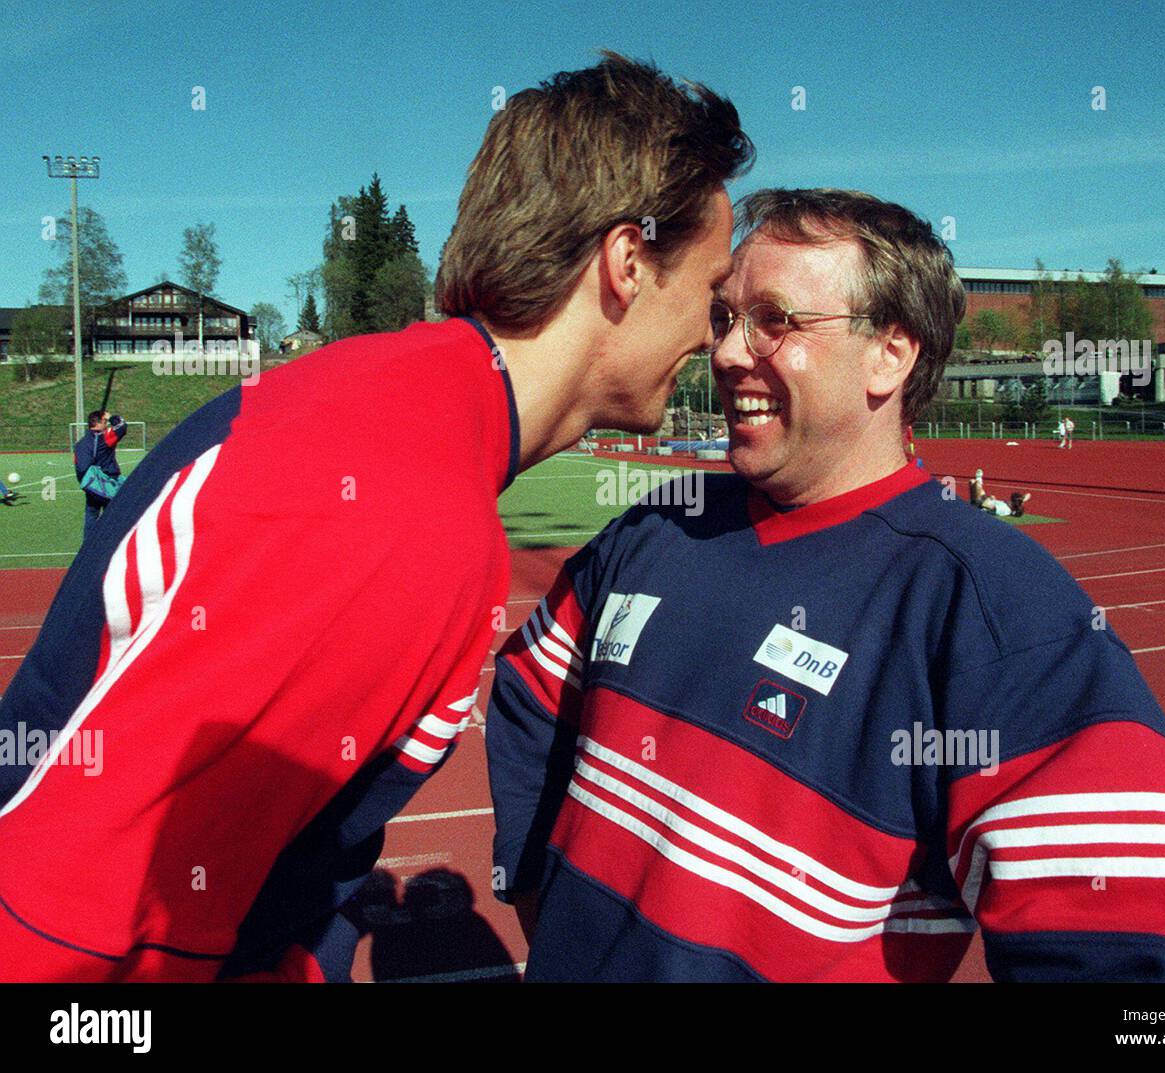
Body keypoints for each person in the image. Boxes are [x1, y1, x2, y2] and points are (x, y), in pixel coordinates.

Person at [0, 52, 752, 983]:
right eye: (713, 296)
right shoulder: (403, 503)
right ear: (628, 263)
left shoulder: (392, 411)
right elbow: (68, 925)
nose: (715, 339)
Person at [484, 188, 1165, 983]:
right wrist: (544, 907)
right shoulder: (658, 525)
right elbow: (528, 693)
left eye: (775, 320)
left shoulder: (989, 607)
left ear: (891, 354)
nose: (728, 352)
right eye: (726, 316)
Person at [73, 410, 128, 538]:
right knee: (114, 515)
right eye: (105, 422)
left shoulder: (80, 444)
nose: (107, 425)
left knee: (91, 515)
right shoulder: (105, 438)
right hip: (108, 482)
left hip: (92, 485)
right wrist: (111, 417)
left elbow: (79, 467)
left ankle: (88, 546)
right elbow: (122, 426)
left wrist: (87, 484)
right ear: (99, 423)